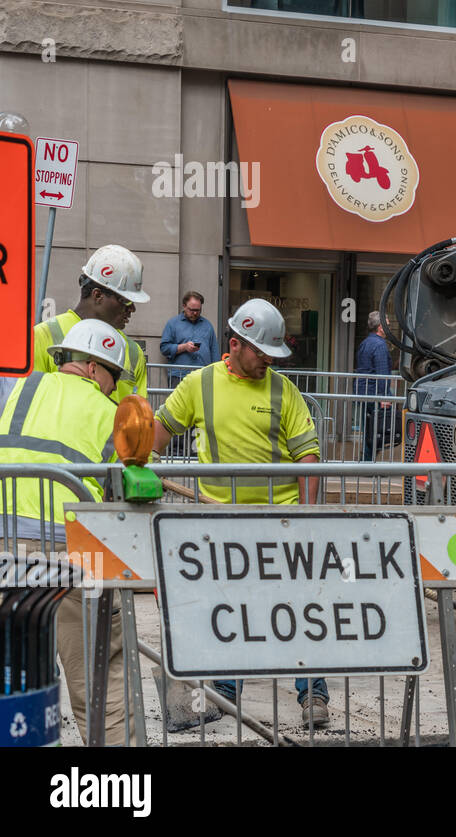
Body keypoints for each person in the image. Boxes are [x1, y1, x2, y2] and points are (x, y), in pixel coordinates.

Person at [150, 298, 330, 727]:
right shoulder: (198, 384)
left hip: (279, 520)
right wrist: (143, 468)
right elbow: (158, 435)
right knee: (229, 607)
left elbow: (308, 456)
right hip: (220, 522)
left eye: (272, 355)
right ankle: (224, 693)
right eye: (261, 353)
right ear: (234, 345)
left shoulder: (283, 390)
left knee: (298, 605)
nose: (268, 360)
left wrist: (307, 517)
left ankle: (313, 694)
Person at [0, 319, 128, 744]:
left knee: (16, 678)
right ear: (93, 367)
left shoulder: (20, 389)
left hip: (7, 552)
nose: (114, 387)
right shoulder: (110, 414)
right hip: (74, 553)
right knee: (101, 679)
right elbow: (122, 496)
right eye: (113, 375)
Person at [32, 245, 150, 404]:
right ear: (98, 295)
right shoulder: (42, 336)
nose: (132, 309)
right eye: (125, 300)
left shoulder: (134, 353)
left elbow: (135, 416)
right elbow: (28, 402)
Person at [355, 311, 392, 461]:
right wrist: (384, 396)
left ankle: (366, 461)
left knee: (369, 429)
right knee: (375, 431)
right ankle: (368, 463)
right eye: (388, 325)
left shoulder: (366, 342)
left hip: (363, 392)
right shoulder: (380, 345)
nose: (390, 328)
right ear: (381, 327)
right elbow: (382, 372)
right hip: (374, 393)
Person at [160, 291, 218, 384]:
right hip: (179, 376)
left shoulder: (208, 325)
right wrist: (184, 347)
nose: (195, 313)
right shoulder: (173, 324)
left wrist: (216, 374)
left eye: (198, 310)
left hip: (202, 376)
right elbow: (164, 348)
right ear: (184, 306)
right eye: (191, 310)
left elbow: (214, 352)